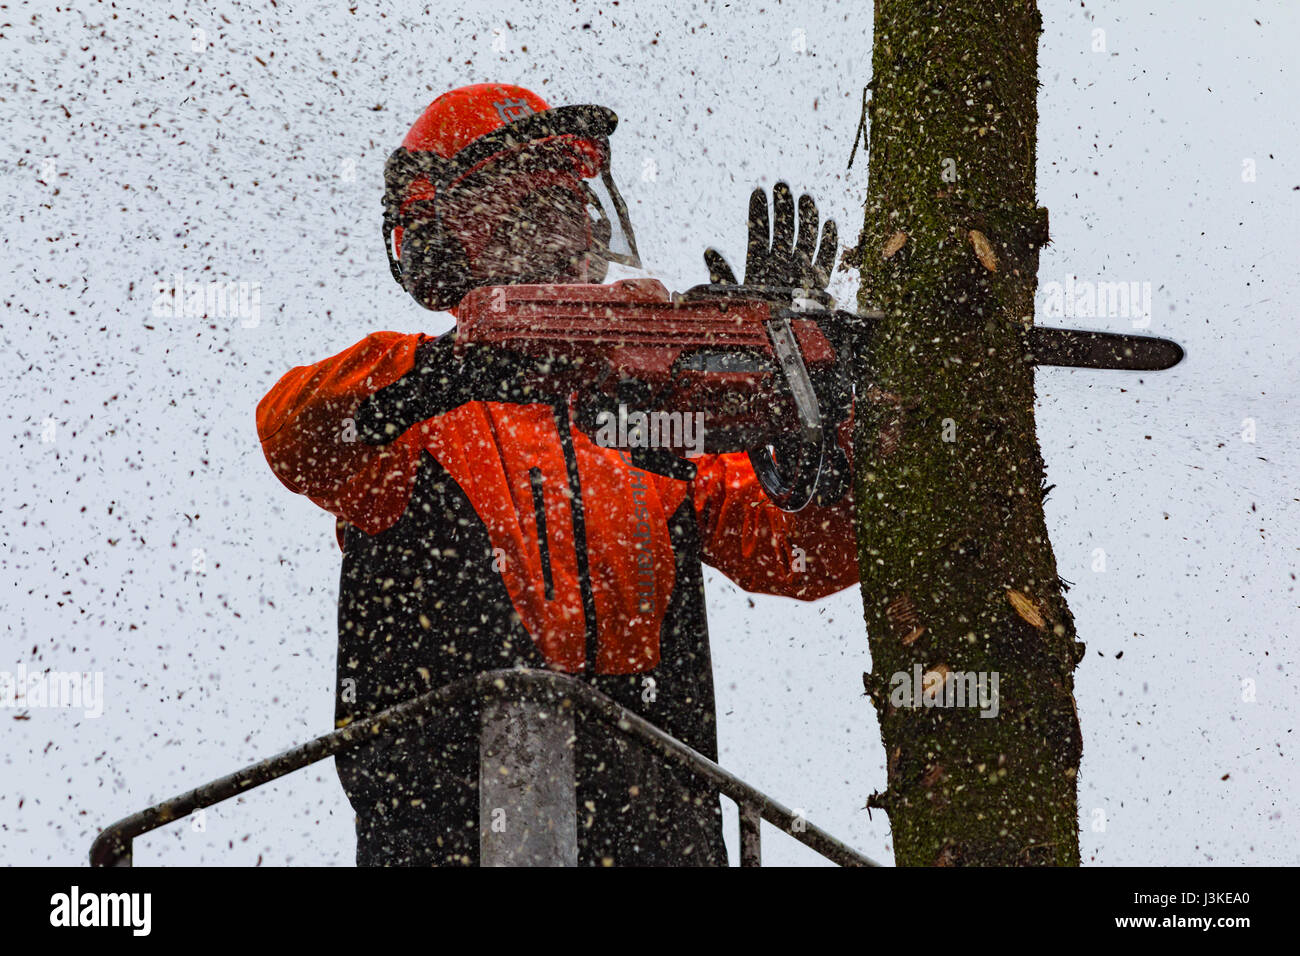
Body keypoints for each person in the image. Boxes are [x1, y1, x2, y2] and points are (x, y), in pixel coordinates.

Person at [255, 83, 860, 866]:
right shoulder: (416, 415)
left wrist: (817, 419)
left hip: (654, 831)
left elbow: (804, 553)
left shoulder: (653, 421)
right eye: (527, 202)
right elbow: (293, 431)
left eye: (567, 197)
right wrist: (453, 371)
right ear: (450, 236)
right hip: (444, 834)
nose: (563, 220)